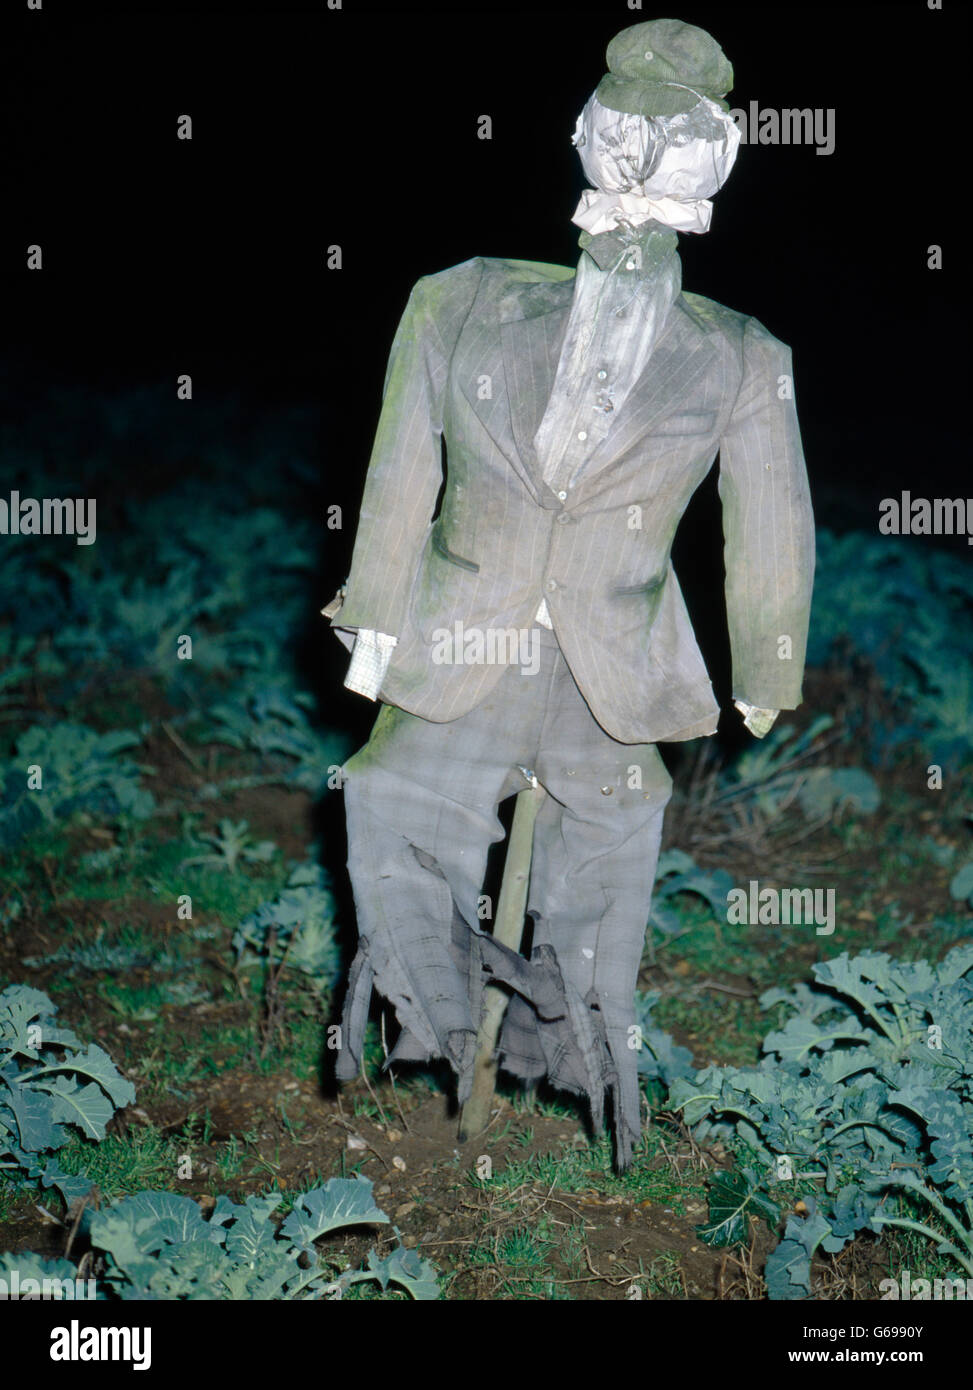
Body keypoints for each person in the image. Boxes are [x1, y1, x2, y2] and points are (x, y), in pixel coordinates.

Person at [322, 18, 815, 1169]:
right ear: (590, 137)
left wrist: (766, 665)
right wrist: (376, 614)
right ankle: (439, 1031)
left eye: (676, 139)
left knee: (613, 854)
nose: (645, 159)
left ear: (718, 160)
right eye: (630, 131)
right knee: (392, 803)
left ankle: (570, 1054)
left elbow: (772, 520)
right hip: (466, 636)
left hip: (618, 660)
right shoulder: (461, 298)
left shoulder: (744, 355)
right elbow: (399, 470)